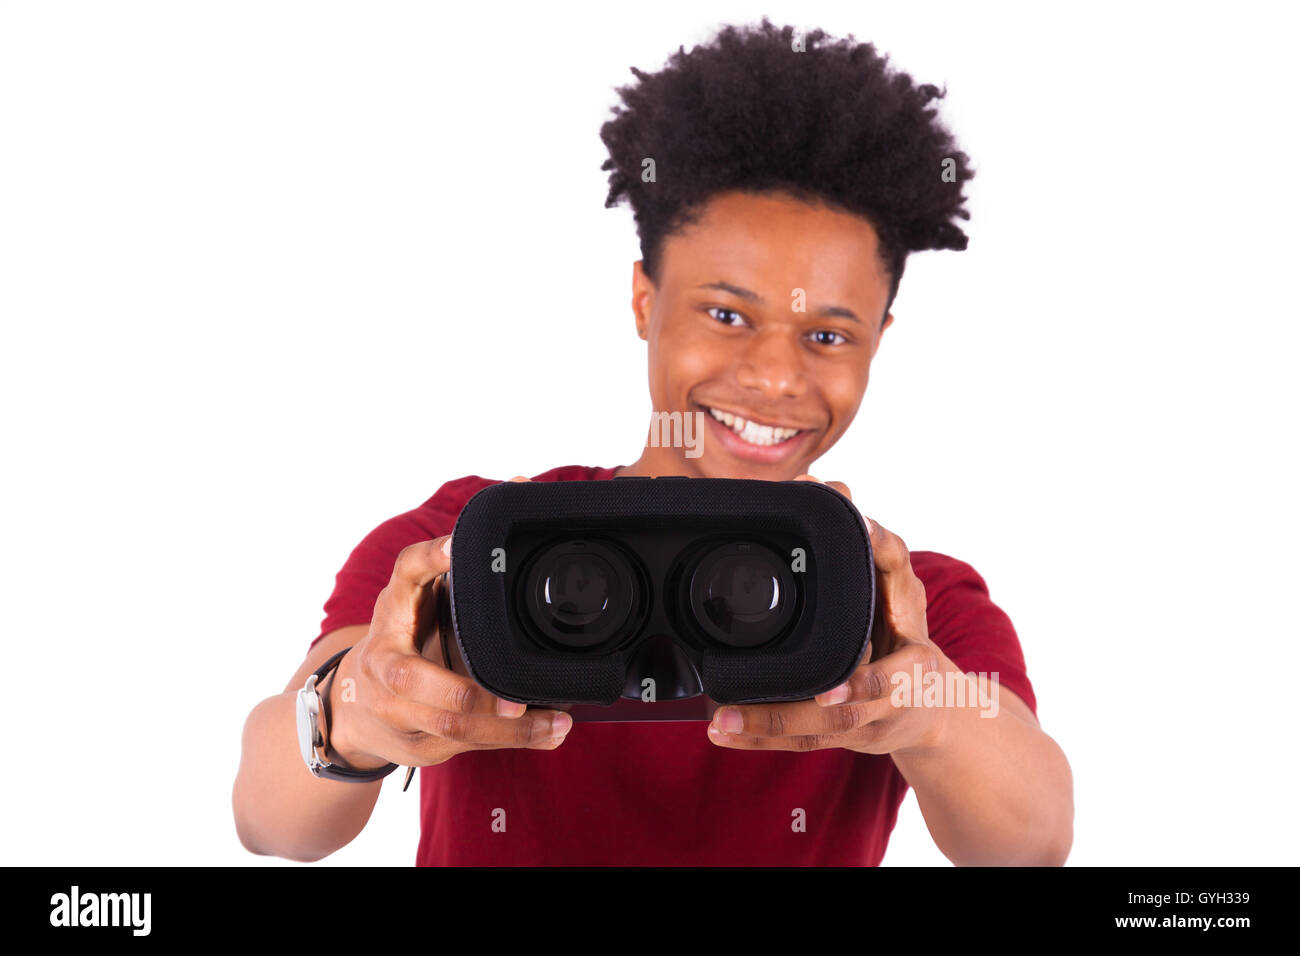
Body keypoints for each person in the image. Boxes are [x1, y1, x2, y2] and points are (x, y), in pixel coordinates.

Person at [232, 18, 1073, 866]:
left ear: (880, 340)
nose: (776, 378)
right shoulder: (469, 541)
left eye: (828, 336)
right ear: (644, 299)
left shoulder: (907, 606)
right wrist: (351, 714)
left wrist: (925, 713)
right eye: (726, 314)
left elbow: (1032, 842)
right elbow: (272, 821)